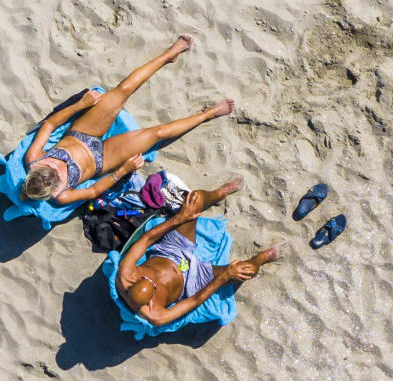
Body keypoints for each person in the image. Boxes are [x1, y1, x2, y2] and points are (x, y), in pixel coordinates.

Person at [22, 35, 234, 205]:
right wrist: (122, 171)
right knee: (155, 134)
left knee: (123, 90)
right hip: (100, 159)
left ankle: (168, 55)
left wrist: (80, 105)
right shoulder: (62, 196)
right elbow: (94, 190)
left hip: (82, 134)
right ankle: (208, 114)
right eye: (58, 176)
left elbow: (50, 124)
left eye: (52, 168)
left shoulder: (33, 158)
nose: (60, 169)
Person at [115, 178, 278, 326]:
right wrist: (223, 277)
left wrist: (178, 219)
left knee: (196, 198)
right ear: (150, 300)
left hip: (169, 251)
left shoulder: (126, 274)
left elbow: (147, 238)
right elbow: (194, 300)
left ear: (135, 281)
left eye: (146, 278)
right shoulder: (156, 315)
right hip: (190, 279)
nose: (153, 280)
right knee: (247, 270)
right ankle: (262, 258)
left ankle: (218, 194)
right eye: (154, 286)